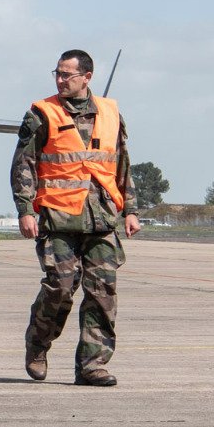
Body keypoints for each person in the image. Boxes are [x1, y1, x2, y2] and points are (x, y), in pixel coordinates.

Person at [11, 49, 141, 387]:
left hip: (101, 219)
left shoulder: (111, 113)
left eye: (66, 74)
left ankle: (91, 366)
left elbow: (122, 164)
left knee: (102, 293)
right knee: (61, 289)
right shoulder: (42, 114)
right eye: (57, 73)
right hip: (57, 218)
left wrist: (131, 209)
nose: (60, 80)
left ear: (87, 77)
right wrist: (26, 210)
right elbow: (23, 164)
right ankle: (37, 345)